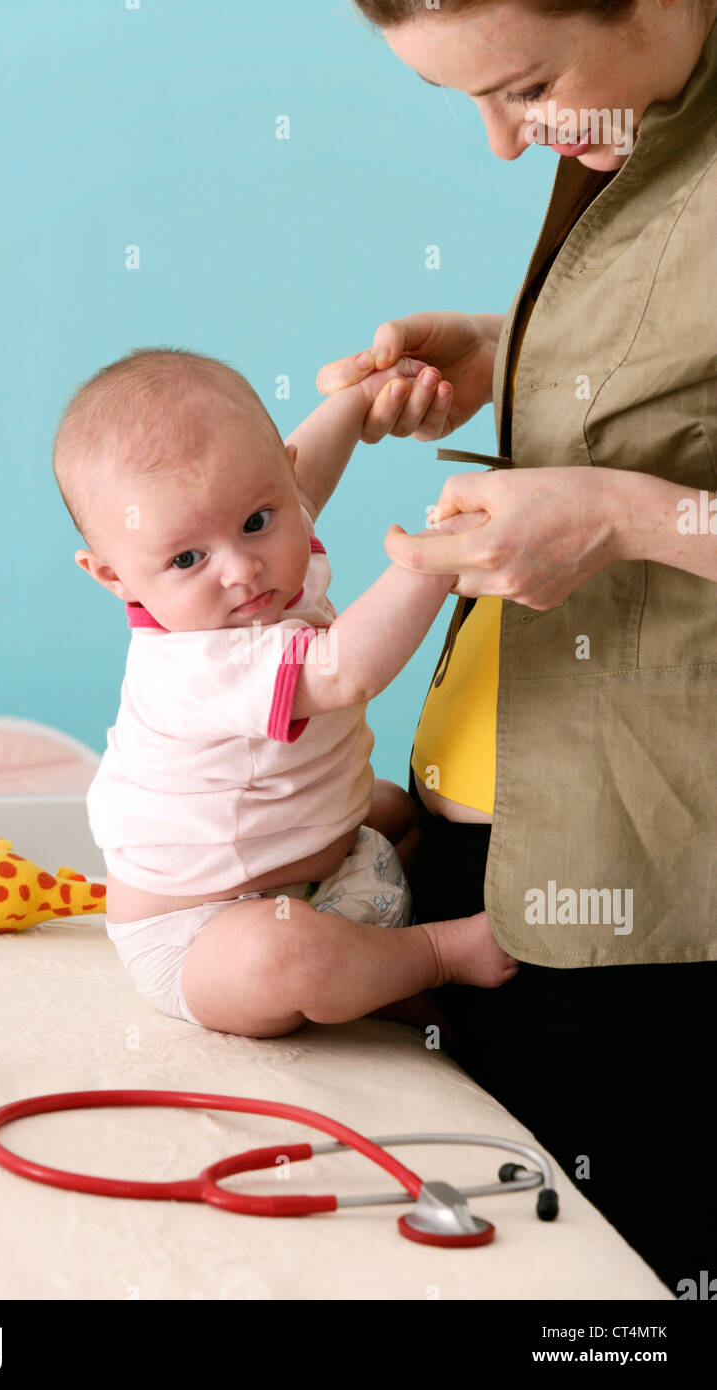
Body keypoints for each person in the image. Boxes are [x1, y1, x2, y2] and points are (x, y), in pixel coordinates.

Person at [313, 0, 717, 1293]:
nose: (503, 144)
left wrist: (620, 514)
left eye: (524, 87)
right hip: (501, 865)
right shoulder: (638, 110)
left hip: (650, 912)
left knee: (613, 1304)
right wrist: (509, 356)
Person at [52, 345, 518, 1037]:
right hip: (202, 933)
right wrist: (433, 559)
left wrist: (358, 404)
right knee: (281, 954)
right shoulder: (193, 662)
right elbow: (341, 670)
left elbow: (296, 473)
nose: (241, 567)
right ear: (114, 576)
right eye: (186, 559)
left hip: (317, 857)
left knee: (398, 807)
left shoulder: (259, 533)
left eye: (257, 521)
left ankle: (361, 964)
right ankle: (428, 956)